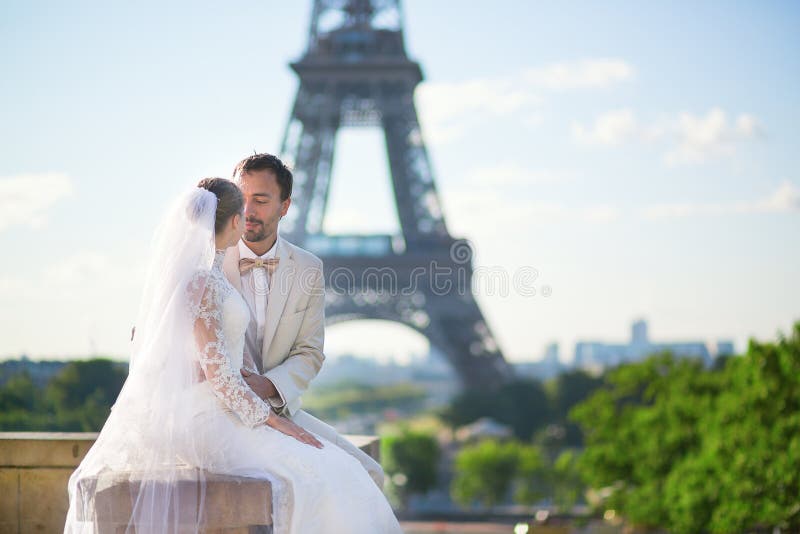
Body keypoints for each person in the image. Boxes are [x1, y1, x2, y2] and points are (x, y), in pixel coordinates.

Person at [64, 178, 402, 533]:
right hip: (209, 416)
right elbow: (216, 374)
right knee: (323, 473)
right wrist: (274, 420)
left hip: (224, 408)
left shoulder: (206, 276)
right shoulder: (203, 281)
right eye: (242, 212)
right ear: (233, 221)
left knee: (338, 469)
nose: (247, 219)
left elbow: (215, 355)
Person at [223, 153, 384, 486]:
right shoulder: (206, 261)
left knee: (370, 473)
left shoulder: (308, 269)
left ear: (285, 206)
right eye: (242, 198)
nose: (248, 211)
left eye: (261, 200)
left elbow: (310, 352)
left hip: (279, 408)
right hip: (220, 412)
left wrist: (268, 385)